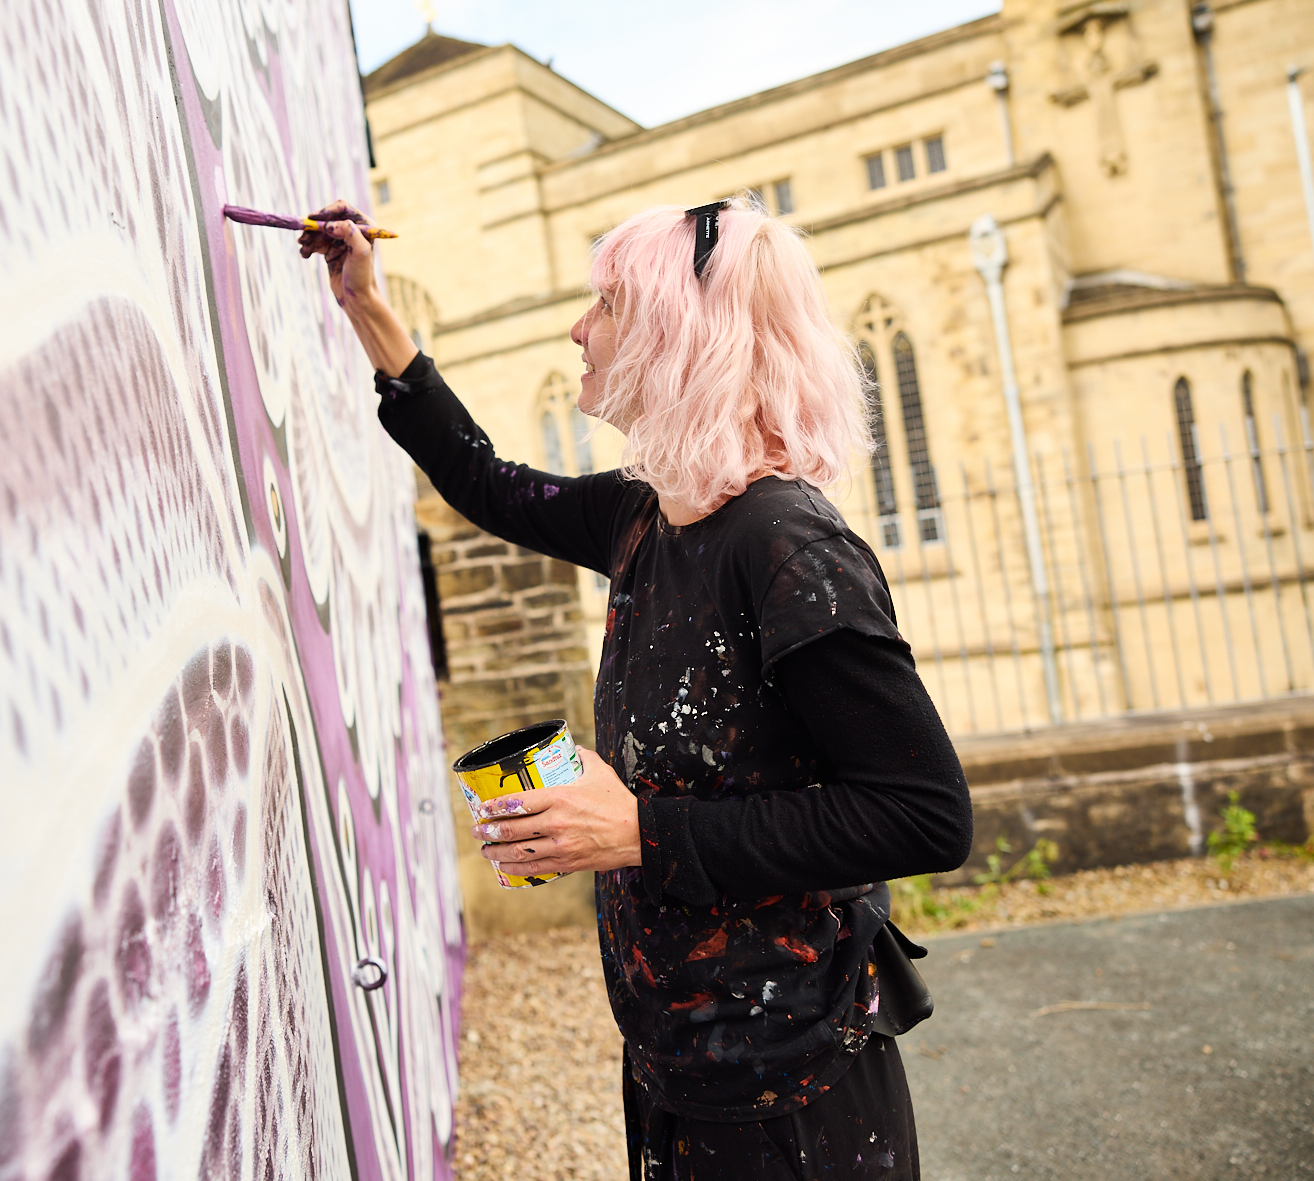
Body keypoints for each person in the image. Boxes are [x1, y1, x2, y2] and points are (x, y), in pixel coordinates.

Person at [302, 197, 973, 1181]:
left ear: (677, 337)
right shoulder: (646, 519)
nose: (578, 328)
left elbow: (924, 815)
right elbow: (486, 483)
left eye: (606, 305)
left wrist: (640, 832)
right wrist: (367, 309)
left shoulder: (786, 544)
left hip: (790, 1082)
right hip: (677, 1053)